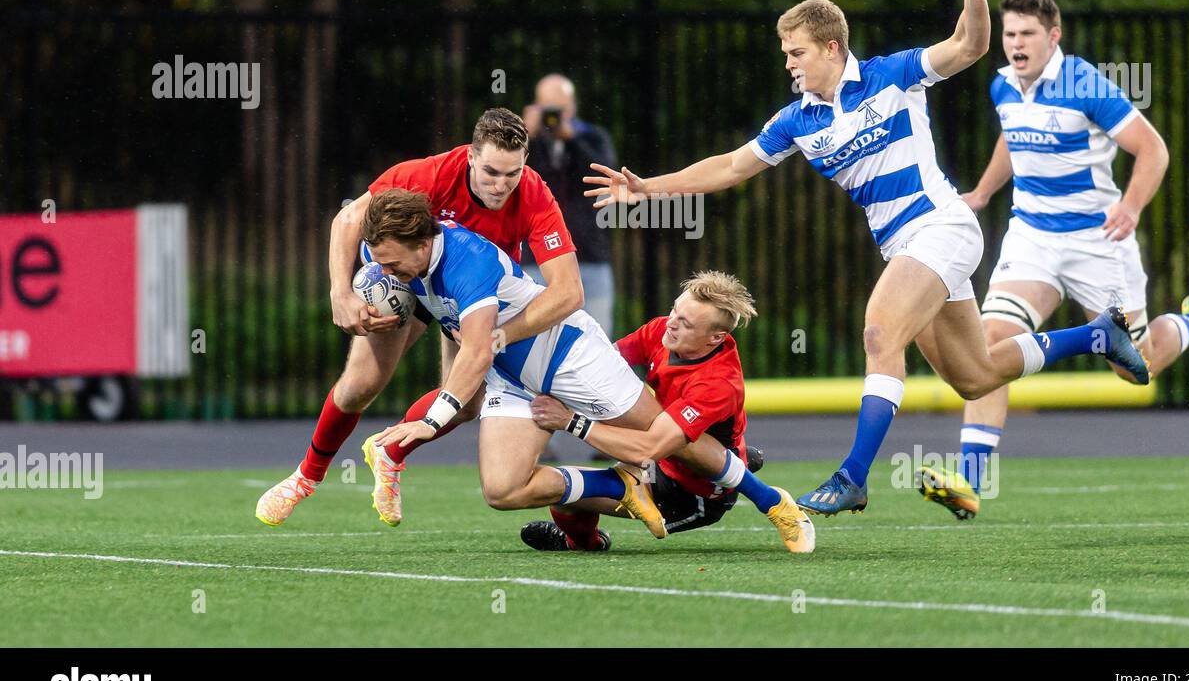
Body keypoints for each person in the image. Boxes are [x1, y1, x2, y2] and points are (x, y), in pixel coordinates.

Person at [584, 0, 1151, 519]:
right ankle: (1098, 336)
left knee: (880, 333)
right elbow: (731, 166)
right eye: (785, 54)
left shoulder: (892, 75)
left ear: (832, 48)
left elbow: (970, 45)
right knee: (975, 377)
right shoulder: (797, 120)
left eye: (796, 52)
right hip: (904, 248)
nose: (789, 64)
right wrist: (647, 187)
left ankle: (853, 475)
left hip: (943, 228)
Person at [917, 0, 1189, 520]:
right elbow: (1012, 136)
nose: (1016, 44)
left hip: (1099, 243)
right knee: (989, 344)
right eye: (1009, 34)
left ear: (1054, 37)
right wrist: (981, 192)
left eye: (1027, 34)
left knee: (1135, 371)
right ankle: (970, 479)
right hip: (1032, 239)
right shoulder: (1004, 85)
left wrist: (1133, 207)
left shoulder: (1085, 84)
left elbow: (1153, 149)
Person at [364, 189, 815, 553]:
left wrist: (431, 423)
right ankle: (617, 487)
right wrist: (345, 300)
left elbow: (477, 350)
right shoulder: (406, 257)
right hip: (515, 376)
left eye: (389, 263)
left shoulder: (466, 262)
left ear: (423, 243)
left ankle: (772, 501)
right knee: (503, 490)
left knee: (668, 441)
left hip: (567, 359)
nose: (384, 271)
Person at [255, 108, 583, 527]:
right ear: (469, 157)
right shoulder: (431, 174)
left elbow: (569, 292)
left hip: (473, 298)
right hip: (411, 281)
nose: (501, 186)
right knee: (359, 386)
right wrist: (340, 291)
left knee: (464, 402)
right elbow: (350, 218)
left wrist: (499, 336)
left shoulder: (534, 194)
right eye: (491, 172)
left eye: (512, 174)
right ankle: (305, 478)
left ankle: (389, 451)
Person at [521, 271, 761, 550]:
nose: (671, 323)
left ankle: (581, 543)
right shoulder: (661, 330)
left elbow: (647, 449)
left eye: (685, 323)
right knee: (565, 489)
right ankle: (586, 541)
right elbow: (602, 366)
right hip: (661, 458)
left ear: (715, 338)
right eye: (674, 310)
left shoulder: (718, 384)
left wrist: (569, 421)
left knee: (561, 491)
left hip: (691, 493)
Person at [521, 74, 618, 337]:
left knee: (598, 337)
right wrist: (523, 134)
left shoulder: (592, 138)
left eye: (559, 109)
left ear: (572, 107)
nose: (553, 117)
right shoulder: (527, 143)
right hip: (537, 259)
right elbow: (508, 178)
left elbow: (607, 174)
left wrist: (571, 138)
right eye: (547, 108)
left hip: (590, 256)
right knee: (537, 341)